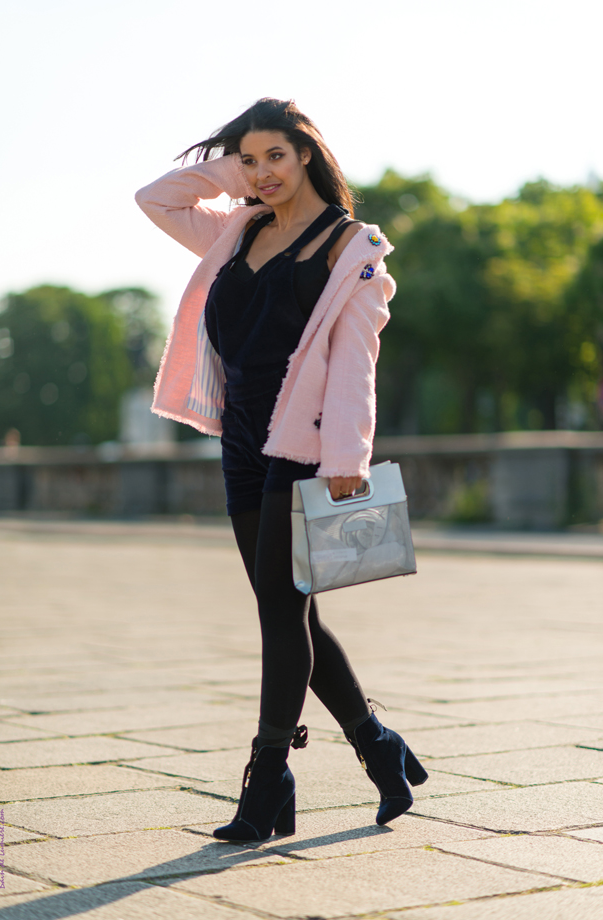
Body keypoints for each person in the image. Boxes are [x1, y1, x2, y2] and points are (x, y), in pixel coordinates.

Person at [135, 97, 428, 842]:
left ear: (307, 153)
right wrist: (232, 164)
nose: (262, 173)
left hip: (303, 444)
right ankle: (377, 746)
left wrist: (346, 458)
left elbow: (357, 363)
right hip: (239, 439)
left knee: (279, 609)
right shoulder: (236, 229)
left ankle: (268, 779)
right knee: (292, 608)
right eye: (249, 159)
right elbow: (156, 197)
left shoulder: (350, 246)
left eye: (276, 156)